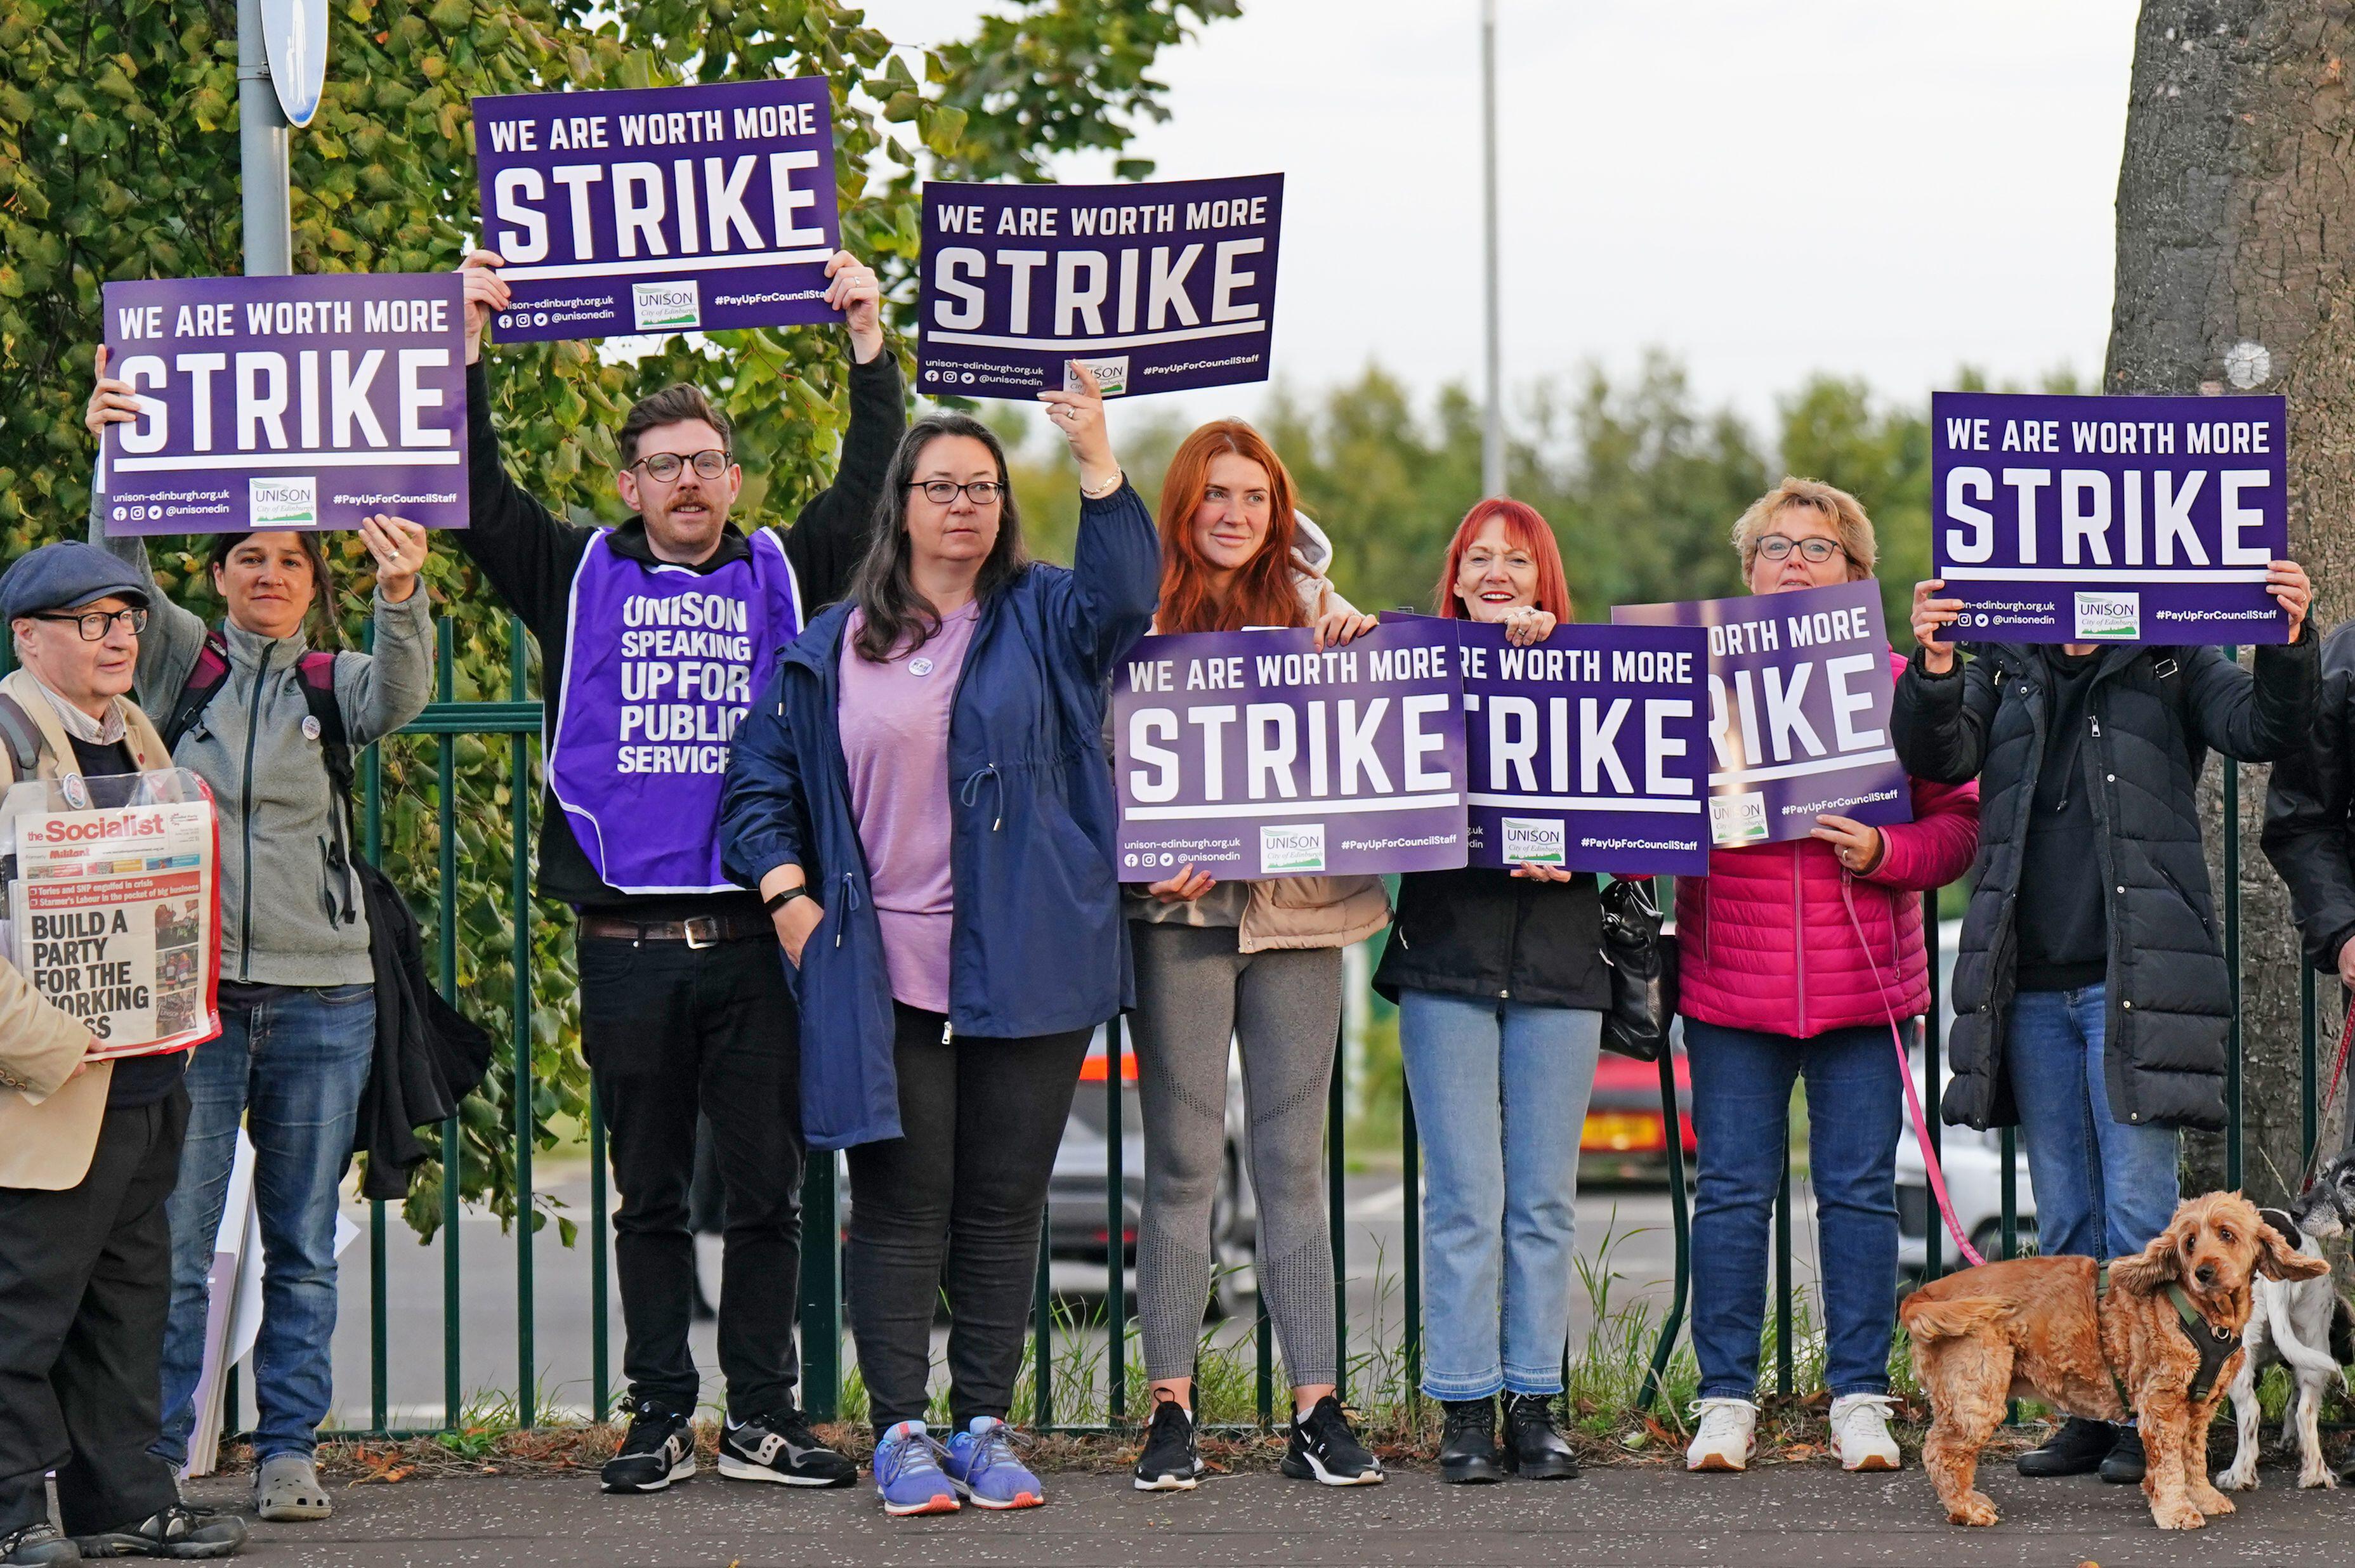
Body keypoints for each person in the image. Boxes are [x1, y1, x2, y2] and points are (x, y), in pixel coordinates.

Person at [454, 248, 898, 1493]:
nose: (687, 481)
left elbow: (869, 487)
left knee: (766, 1200)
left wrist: (866, 339)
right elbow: (476, 495)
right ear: (629, 484)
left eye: (706, 460)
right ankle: (658, 1413)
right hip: (626, 952)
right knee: (648, 1200)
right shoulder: (575, 573)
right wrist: (471, 344)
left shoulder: (781, 571)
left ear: (734, 479)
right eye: (663, 464)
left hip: (760, 942)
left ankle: (760, 1417)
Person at [719, 365, 1157, 1517]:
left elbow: (1129, 601)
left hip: (1030, 960)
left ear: (1005, 507)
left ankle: (985, 1426)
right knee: (904, 1204)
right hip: (882, 968)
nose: (964, 505)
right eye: (940, 486)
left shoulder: (1048, 616)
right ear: (902, 506)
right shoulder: (830, 647)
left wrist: (1098, 461)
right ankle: (902, 1433)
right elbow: (757, 788)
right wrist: (791, 903)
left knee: (1005, 1203)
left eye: (983, 488)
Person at [84, 356, 436, 1520]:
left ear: (310, 580)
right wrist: (116, 450)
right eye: (250, 558)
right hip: (193, 997)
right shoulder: (186, 662)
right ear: (221, 576)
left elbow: (402, 701)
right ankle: (161, 1457)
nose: (271, 575)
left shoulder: (334, 680)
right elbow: (115, 570)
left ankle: (289, 1451)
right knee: (175, 1247)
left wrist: (402, 592)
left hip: (327, 995)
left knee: (298, 1238)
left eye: (291, 560)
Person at [1898, 546, 2314, 1486]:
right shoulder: (2004, 656)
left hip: (2135, 985)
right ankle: (2089, 1412)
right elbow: (1938, 754)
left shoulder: (2172, 651)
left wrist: (2286, 642)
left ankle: (2148, 1416)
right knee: (2073, 1212)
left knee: (2137, 1211)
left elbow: (2261, 726)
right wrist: (1932, 670)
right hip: (2034, 986)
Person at [1679, 480, 1981, 1475]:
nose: (1796, 563)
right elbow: (1631, 822)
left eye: (1819, 549)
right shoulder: (1695, 686)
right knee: (1731, 1196)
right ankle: (1725, 1398)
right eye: (1776, 547)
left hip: (1862, 986)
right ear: (1747, 573)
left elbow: (1962, 825)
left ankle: (1860, 1395)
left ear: (1856, 575)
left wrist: (1888, 853)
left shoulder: (1901, 683)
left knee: (1856, 1196)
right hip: (1732, 985)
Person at [1120, 420, 1389, 1493]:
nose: (1235, 514)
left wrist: (1371, 650)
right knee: (1183, 1164)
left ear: (1280, 513)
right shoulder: (1140, 622)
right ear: (1184, 505)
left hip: (1300, 917)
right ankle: (1170, 1411)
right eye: (1216, 495)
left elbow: (1387, 731)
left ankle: (1316, 1406)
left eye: (1256, 497)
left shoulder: (1323, 616)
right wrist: (1146, 867)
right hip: (1182, 923)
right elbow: (1110, 758)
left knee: (1293, 1165)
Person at [0, 542, 246, 1565]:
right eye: (90, 621)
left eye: (126, 620)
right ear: (29, 637)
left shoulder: (137, 732)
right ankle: (11, 1513)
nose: (116, 639)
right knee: (24, 1310)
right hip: (49, 1086)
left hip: (149, 1073)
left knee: (127, 1300)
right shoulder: (5, 737)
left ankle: (124, 1503)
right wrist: (55, 1044)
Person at [1368, 497, 1593, 1486]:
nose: (1497, 572)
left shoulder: (1591, 675)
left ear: (1545, 579)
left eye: (1517, 559)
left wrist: (1573, 849)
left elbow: (1642, 814)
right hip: (1447, 962)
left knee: (1542, 1201)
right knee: (1466, 1198)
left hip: (1557, 966)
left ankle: (1535, 1402)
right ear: (1455, 577)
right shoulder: (1410, 674)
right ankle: (1464, 1407)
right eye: (1479, 558)